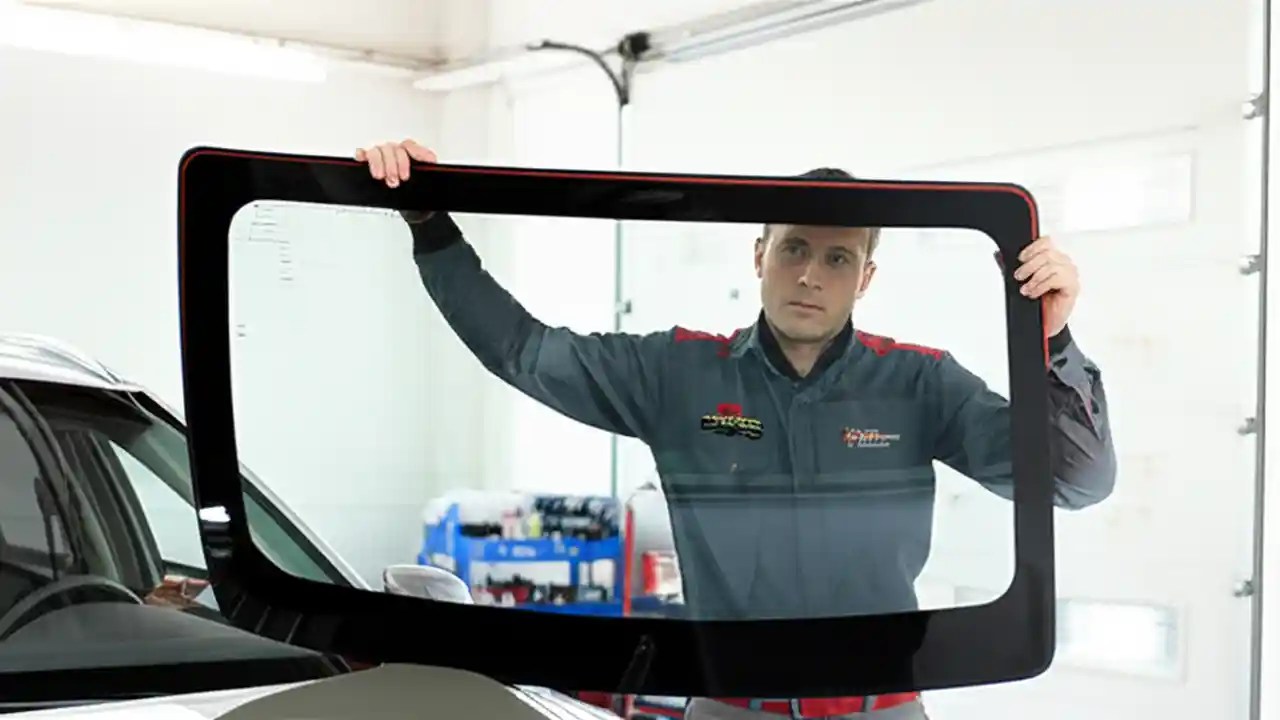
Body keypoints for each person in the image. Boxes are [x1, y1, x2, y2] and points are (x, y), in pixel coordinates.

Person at [356, 139, 1117, 720]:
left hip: (881, 712)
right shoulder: (677, 374)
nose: (810, 275)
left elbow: (1074, 481)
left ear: (866, 278)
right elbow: (524, 351)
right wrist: (430, 221)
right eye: (793, 249)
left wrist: (1053, 341)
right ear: (759, 255)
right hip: (727, 709)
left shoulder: (918, 382)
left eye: (836, 258)